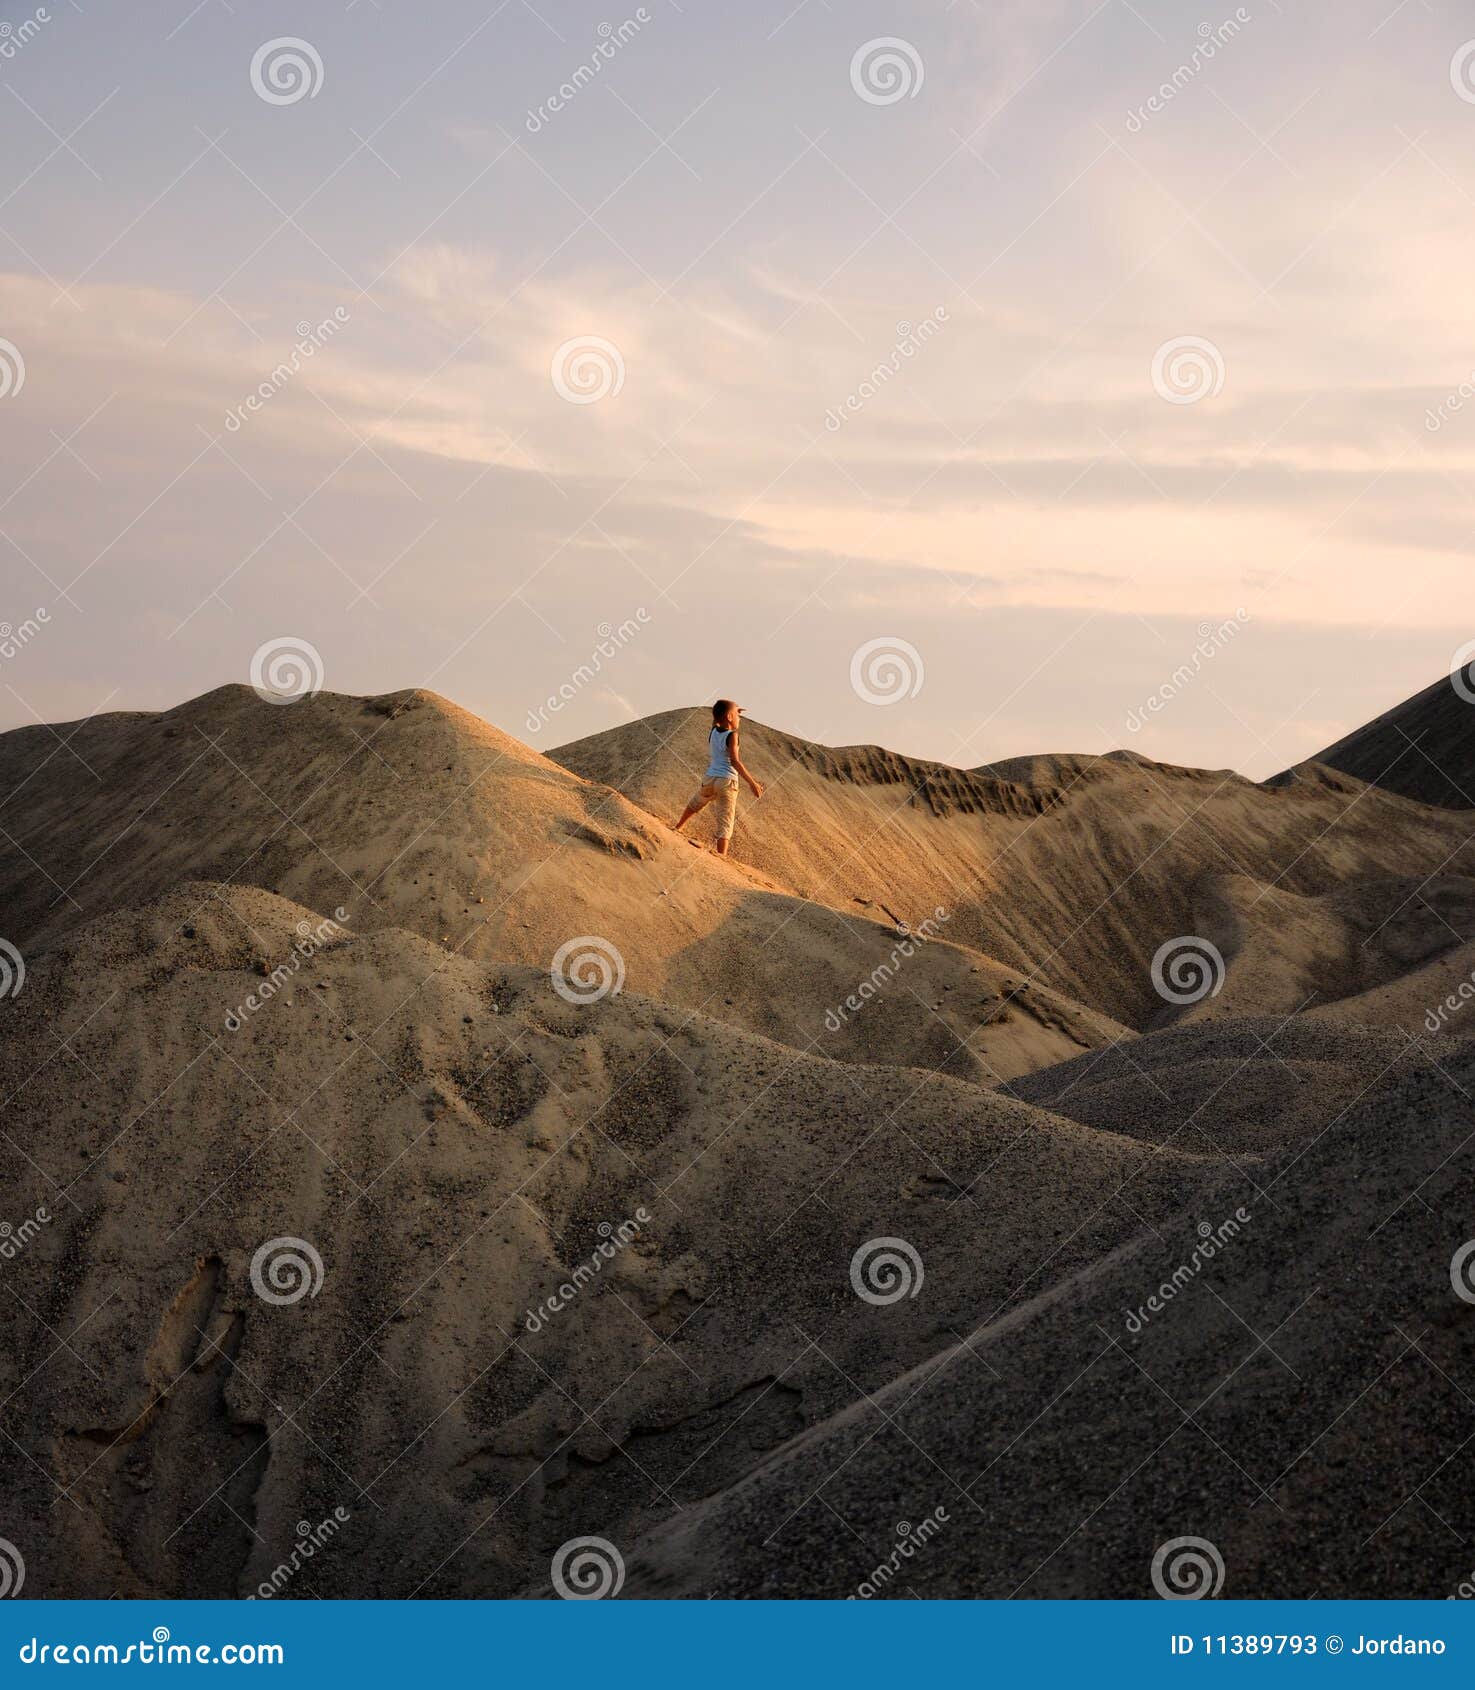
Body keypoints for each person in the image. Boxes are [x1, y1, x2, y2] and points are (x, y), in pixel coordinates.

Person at [672, 699, 763, 855]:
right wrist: (752, 783)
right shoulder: (733, 735)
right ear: (729, 717)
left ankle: (679, 826)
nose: (739, 718)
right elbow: (735, 761)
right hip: (727, 781)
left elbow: (716, 720)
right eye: (737, 715)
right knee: (726, 819)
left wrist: (729, 711)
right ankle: (722, 856)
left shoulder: (713, 731)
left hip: (710, 778)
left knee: (696, 802)